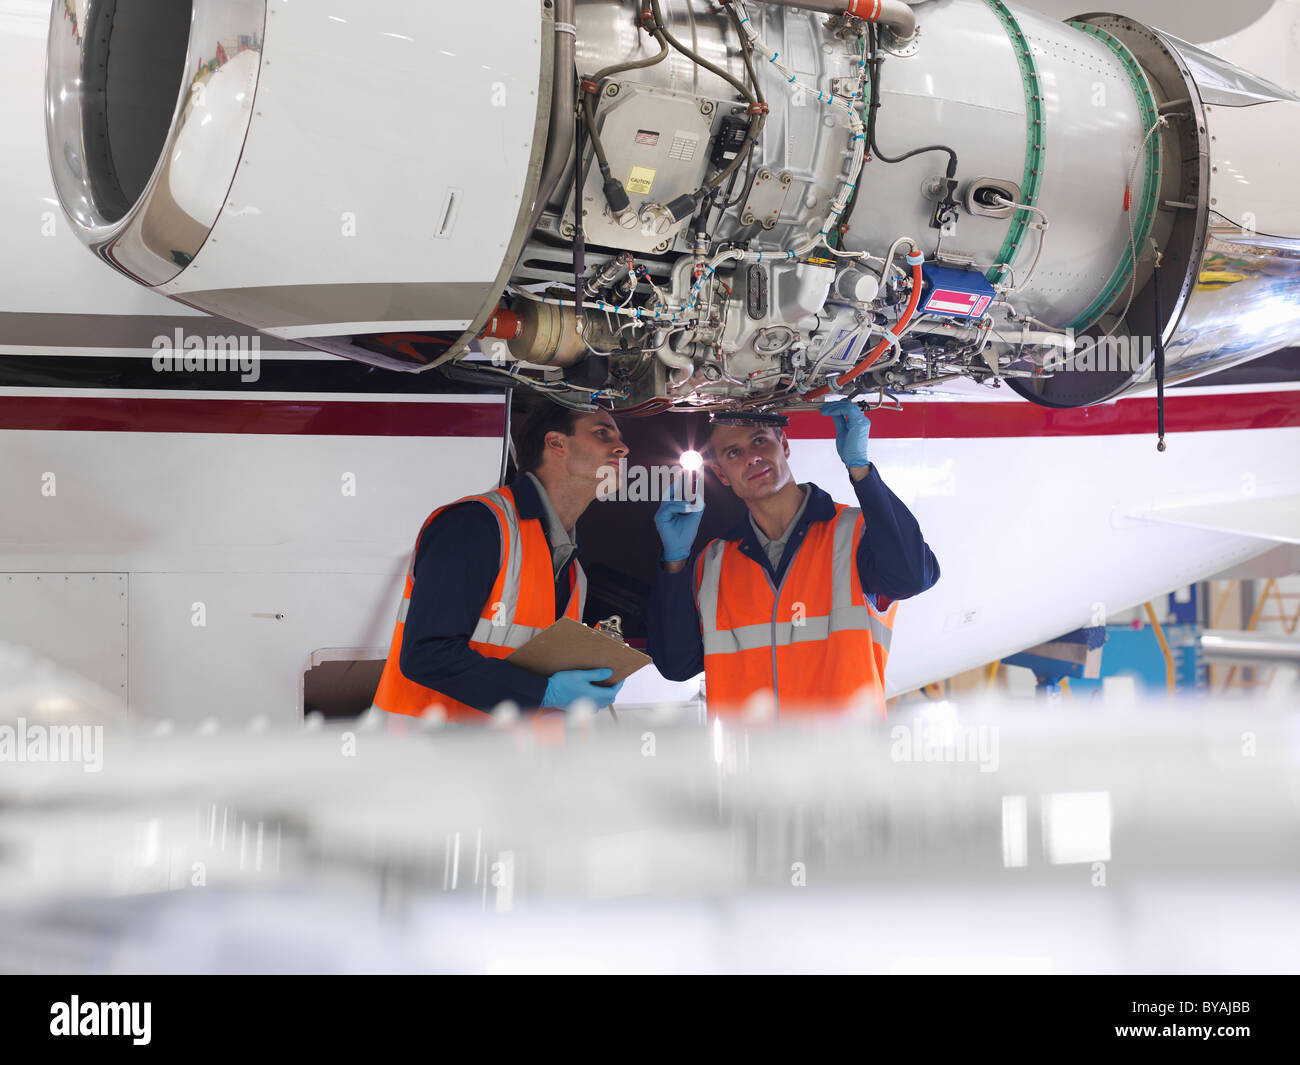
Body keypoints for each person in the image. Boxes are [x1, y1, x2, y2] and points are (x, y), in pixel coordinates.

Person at [647, 401, 939, 718]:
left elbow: (912, 576)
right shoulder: (713, 563)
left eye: (759, 440)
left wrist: (861, 470)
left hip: (848, 762)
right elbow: (676, 665)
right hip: (752, 764)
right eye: (733, 453)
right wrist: (674, 563)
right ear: (721, 474)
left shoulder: (853, 533)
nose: (751, 458)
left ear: (784, 445)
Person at [373, 402, 630, 722]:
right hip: (430, 759)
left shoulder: (573, 568)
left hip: (507, 763)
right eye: (602, 433)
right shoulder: (475, 524)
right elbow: (426, 655)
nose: (622, 448)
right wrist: (543, 691)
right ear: (556, 443)